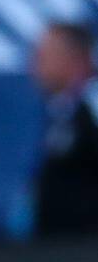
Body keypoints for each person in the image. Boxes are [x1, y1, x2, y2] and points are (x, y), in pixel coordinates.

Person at [29, 22, 98, 237]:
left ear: (76, 60)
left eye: (44, 56)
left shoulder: (92, 105)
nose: (34, 66)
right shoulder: (62, 108)